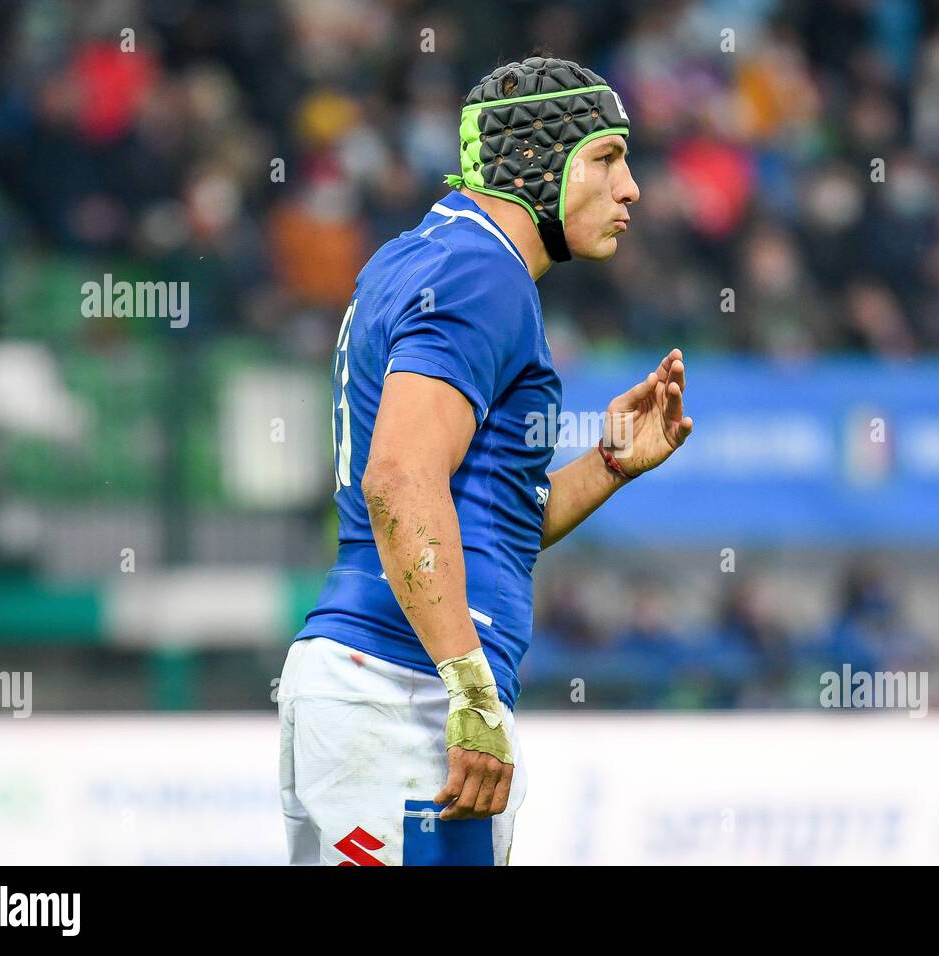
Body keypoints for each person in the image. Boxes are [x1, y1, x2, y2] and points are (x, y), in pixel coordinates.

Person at [276, 56, 693, 865]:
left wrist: (609, 464)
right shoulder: (480, 274)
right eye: (607, 158)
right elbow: (399, 479)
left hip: (387, 681)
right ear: (538, 161)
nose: (631, 187)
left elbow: (485, 527)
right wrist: (467, 691)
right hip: (405, 689)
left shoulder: (426, 256)